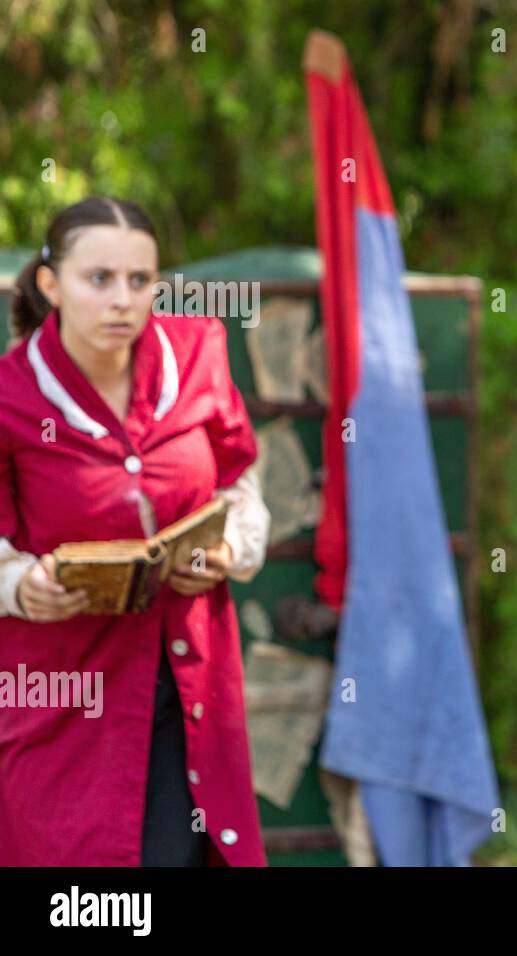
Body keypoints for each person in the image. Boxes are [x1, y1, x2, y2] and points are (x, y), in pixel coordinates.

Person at [0, 196, 271, 866]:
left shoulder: (198, 353)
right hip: (60, 695)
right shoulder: (9, 393)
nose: (122, 299)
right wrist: (19, 585)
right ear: (50, 284)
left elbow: (240, 484)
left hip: (186, 684)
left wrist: (228, 549)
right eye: (99, 279)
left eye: (139, 281)